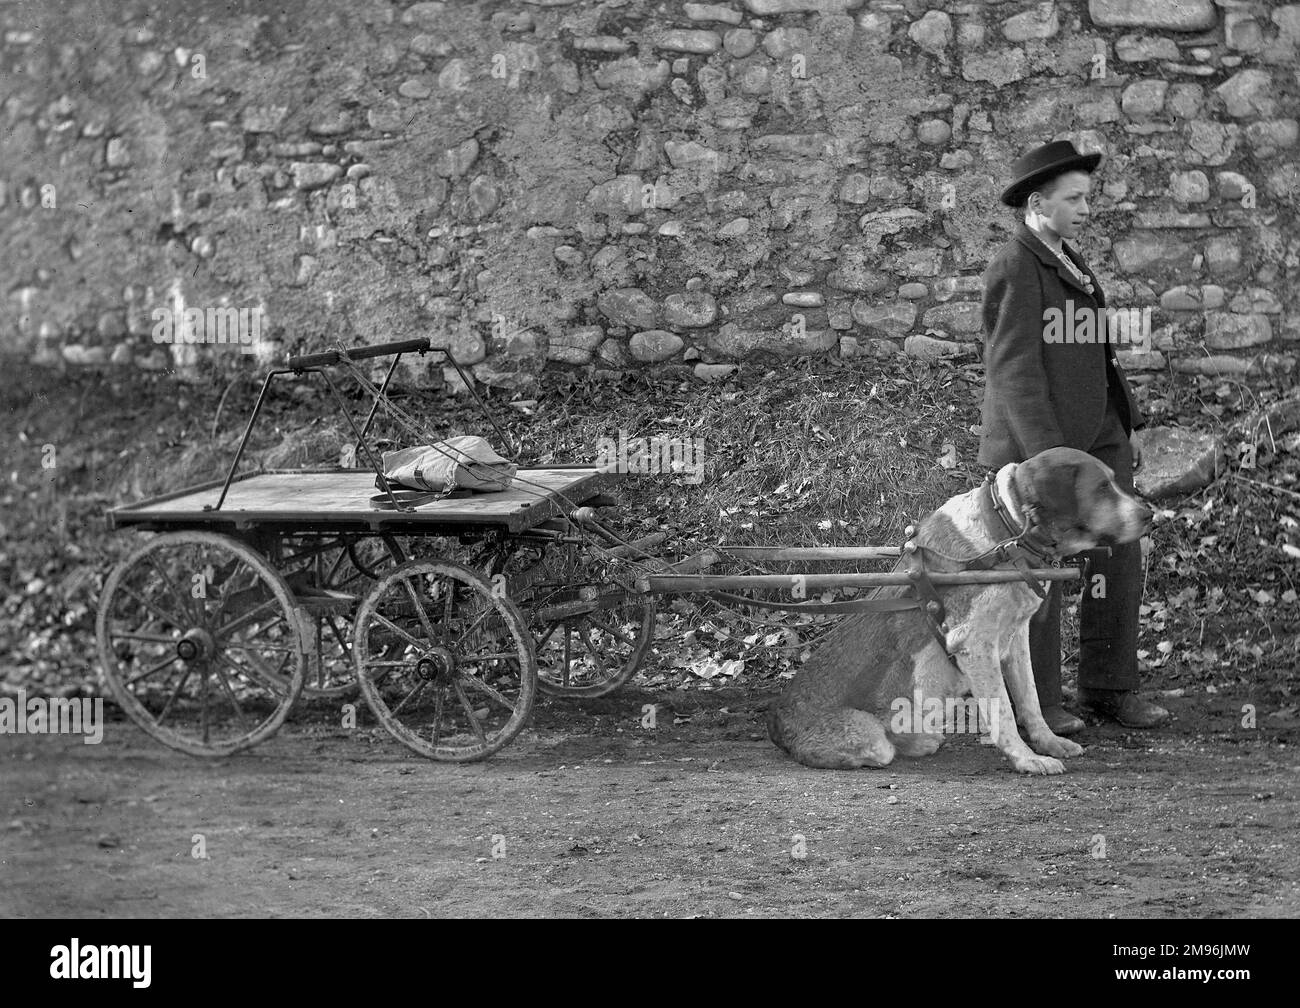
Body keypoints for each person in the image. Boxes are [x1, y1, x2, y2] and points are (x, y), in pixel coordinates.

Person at [979, 139, 1169, 732]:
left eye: (1088, 197)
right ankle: (1041, 704)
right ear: (1038, 202)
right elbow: (1013, 369)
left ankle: (1110, 688)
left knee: (1121, 554)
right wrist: (1048, 457)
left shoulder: (1071, 261)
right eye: (1074, 198)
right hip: (1049, 452)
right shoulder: (1014, 265)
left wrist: (1125, 421)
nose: (1086, 208)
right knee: (1039, 573)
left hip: (1100, 441)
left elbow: (1098, 353)